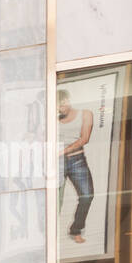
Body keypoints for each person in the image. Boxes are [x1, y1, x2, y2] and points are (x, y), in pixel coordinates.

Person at [57, 89, 94, 244]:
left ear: (69, 100)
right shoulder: (52, 118)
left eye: (62, 104)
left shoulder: (85, 114)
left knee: (87, 195)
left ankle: (76, 229)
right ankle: (49, 233)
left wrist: (63, 151)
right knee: (55, 200)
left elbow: (84, 138)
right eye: (57, 106)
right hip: (56, 162)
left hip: (76, 159)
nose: (60, 108)